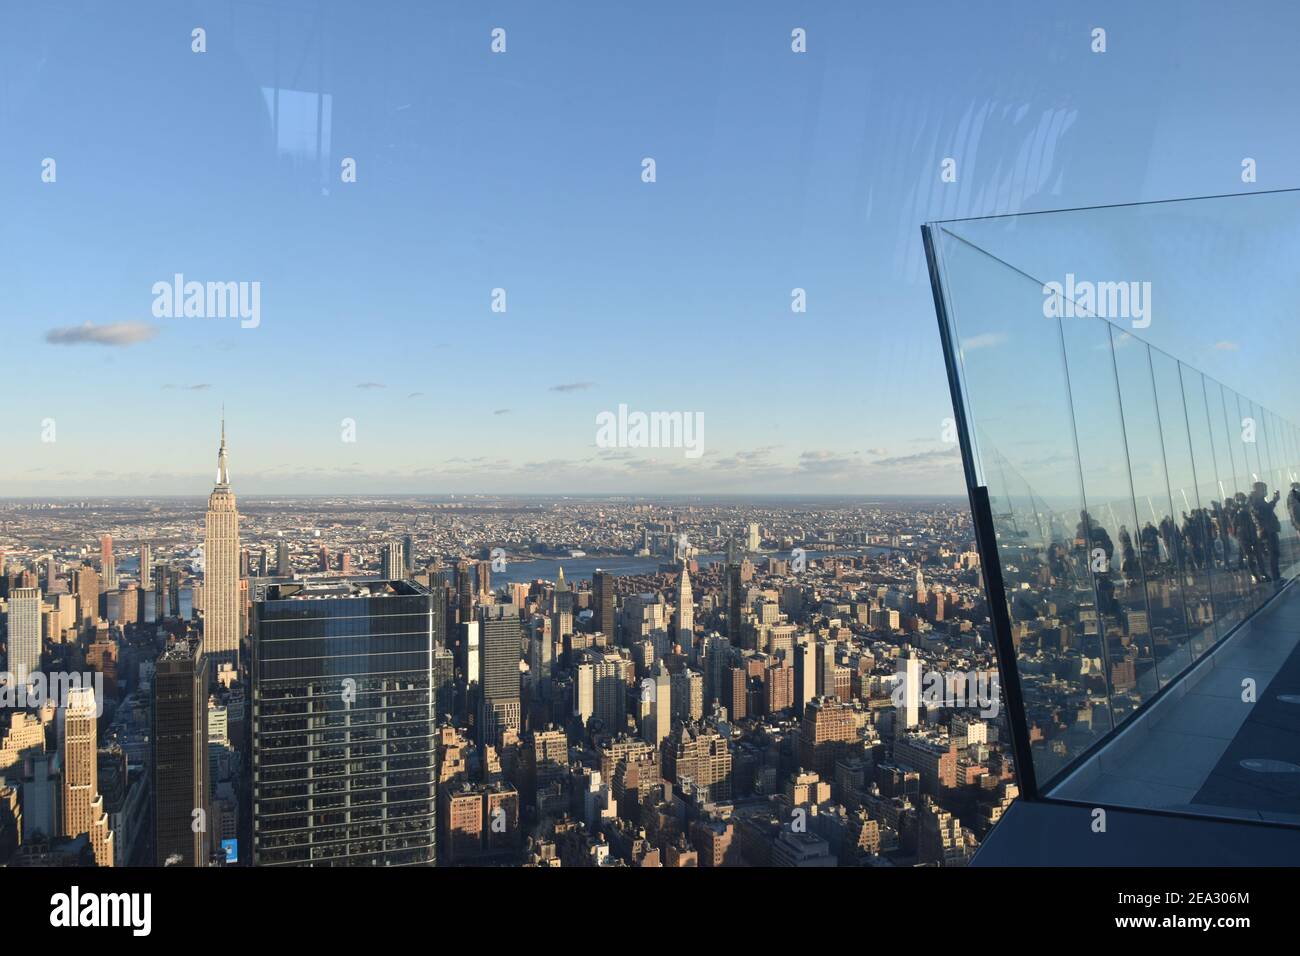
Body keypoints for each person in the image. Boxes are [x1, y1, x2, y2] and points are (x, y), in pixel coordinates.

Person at [1250, 481, 1282, 583]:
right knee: (1273, 553)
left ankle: (1276, 575)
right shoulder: (1255, 501)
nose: (1266, 492)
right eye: (1264, 489)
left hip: (1268, 530)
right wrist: (1274, 501)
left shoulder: (1258, 501)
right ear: (1259, 490)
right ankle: (1275, 576)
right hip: (1267, 531)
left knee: (1274, 553)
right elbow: (1264, 512)